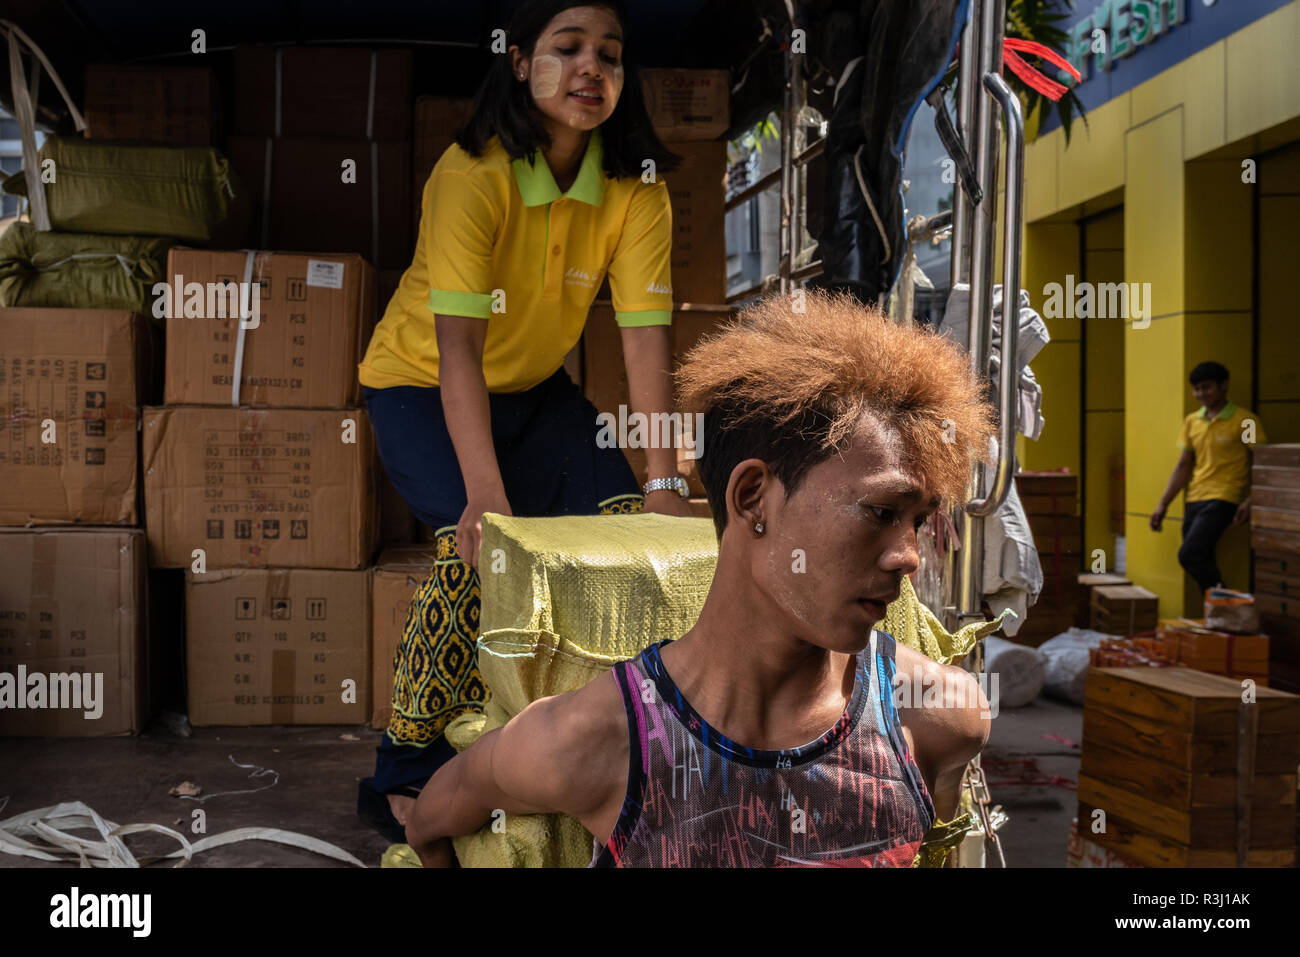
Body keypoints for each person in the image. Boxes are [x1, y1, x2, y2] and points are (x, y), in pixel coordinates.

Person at [405, 289, 998, 867]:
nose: (909, 556)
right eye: (881, 513)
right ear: (752, 498)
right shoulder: (593, 743)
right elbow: (432, 821)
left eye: (919, 521)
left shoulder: (942, 718)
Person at [355, 0, 693, 844]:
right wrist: (486, 499)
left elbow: (647, 342)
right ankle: (399, 772)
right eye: (567, 48)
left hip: (538, 394)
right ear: (517, 63)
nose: (593, 69)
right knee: (476, 556)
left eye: (610, 55)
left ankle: (610, 739)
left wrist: (664, 482)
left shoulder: (636, 190)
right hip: (420, 387)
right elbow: (458, 352)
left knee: (629, 535)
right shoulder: (471, 176)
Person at [1150, 361, 1267, 593]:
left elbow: (1262, 463)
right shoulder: (1192, 421)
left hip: (1224, 497)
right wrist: (1163, 504)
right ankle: (1221, 614)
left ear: (1224, 386)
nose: (1200, 394)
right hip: (1195, 498)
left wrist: (1251, 500)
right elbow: (1183, 465)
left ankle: (1228, 604)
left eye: (1207, 387)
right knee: (1202, 559)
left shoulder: (1246, 421)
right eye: (1197, 389)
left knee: (1189, 555)